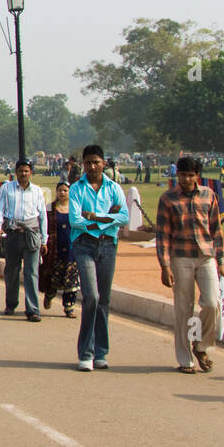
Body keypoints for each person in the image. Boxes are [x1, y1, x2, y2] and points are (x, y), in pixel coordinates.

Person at [156, 156, 224, 374]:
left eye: (190, 175)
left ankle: (201, 345)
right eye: (182, 175)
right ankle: (185, 358)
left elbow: (216, 229)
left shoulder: (208, 195)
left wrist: (220, 261)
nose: (186, 179)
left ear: (197, 175)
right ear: (177, 175)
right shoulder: (168, 199)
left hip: (206, 255)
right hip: (180, 257)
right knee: (183, 308)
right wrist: (164, 266)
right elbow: (162, 235)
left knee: (212, 302)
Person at [69, 144, 130, 371]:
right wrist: (107, 218)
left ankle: (101, 352)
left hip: (107, 245)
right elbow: (76, 220)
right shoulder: (76, 189)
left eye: (96, 162)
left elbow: (124, 217)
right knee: (91, 296)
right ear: (83, 165)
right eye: (88, 163)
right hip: (84, 244)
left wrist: (95, 216)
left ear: (104, 163)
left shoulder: (114, 188)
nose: (92, 166)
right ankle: (86, 352)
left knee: (104, 299)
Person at [0, 159, 47, 321]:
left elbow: (42, 216)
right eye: (21, 171)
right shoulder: (7, 189)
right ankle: (11, 304)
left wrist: (44, 239)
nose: (23, 174)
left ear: (31, 173)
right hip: (13, 234)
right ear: (15, 172)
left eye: (26, 171)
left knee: (32, 272)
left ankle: (33, 309)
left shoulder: (37, 191)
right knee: (12, 271)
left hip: (32, 235)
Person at [40, 181, 81, 318]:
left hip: (71, 249)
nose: (62, 193)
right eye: (60, 190)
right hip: (54, 249)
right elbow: (43, 225)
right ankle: (49, 295)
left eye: (65, 190)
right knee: (54, 278)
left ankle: (69, 308)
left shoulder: (75, 208)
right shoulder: (50, 208)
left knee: (71, 279)